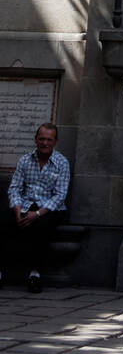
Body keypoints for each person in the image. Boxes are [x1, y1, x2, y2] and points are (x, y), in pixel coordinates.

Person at [1, 122, 70, 293]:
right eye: (41, 139)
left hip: (50, 208)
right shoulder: (25, 160)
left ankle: (35, 274)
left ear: (55, 141)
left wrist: (37, 214)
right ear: (35, 140)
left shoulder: (62, 163)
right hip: (24, 204)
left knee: (41, 228)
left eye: (49, 139)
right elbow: (15, 188)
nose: (44, 143)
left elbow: (60, 195)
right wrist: (17, 209)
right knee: (3, 223)